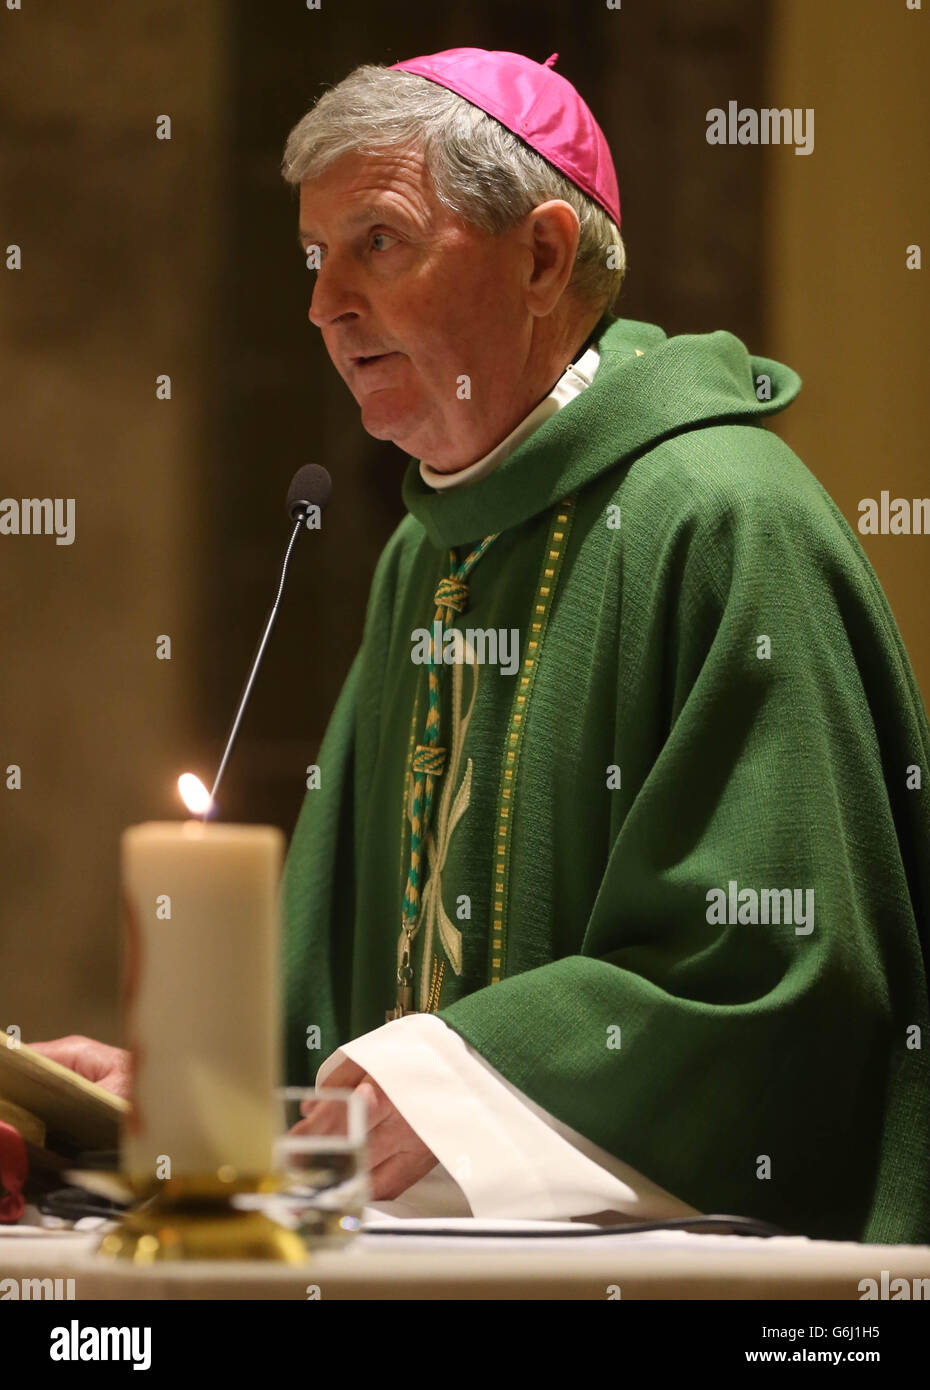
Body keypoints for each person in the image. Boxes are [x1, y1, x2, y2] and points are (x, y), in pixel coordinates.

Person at [34, 48, 930, 1242]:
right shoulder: (430, 552)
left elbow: (786, 985)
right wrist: (208, 1096)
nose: (323, 304)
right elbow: (353, 986)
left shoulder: (723, 517)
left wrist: (467, 1088)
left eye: (380, 242)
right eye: (316, 257)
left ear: (543, 257)